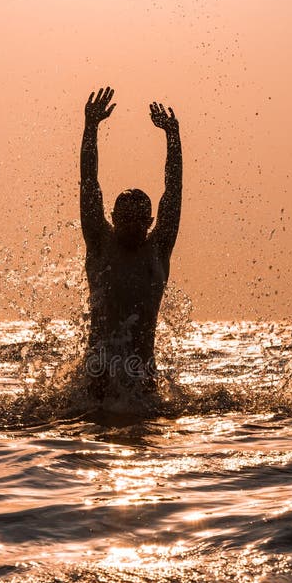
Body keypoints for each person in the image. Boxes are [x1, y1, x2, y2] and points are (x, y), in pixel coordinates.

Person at [80, 86, 182, 398]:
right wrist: (90, 127)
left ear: (150, 222)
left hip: (144, 370)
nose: (132, 225)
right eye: (125, 218)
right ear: (112, 217)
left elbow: (173, 189)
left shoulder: (158, 248)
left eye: (140, 220)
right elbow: (89, 182)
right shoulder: (99, 241)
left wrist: (173, 137)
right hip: (98, 371)